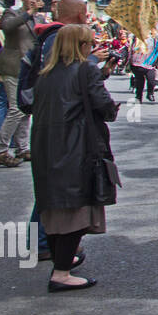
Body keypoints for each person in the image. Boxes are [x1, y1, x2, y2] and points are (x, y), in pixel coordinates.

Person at [30, 24, 118, 291]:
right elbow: (103, 106)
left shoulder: (45, 73)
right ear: (81, 45)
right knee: (75, 211)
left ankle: (62, 264)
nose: (92, 47)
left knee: (56, 210)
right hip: (77, 146)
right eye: (89, 43)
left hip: (46, 147)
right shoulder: (85, 69)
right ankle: (61, 272)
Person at [0, 0, 43, 168]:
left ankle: (22, 148)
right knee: (15, 109)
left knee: (25, 108)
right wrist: (28, 13)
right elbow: (7, 27)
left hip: (29, 69)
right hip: (13, 65)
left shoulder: (39, 18)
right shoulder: (11, 13)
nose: (33, 2)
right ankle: (1, 150)